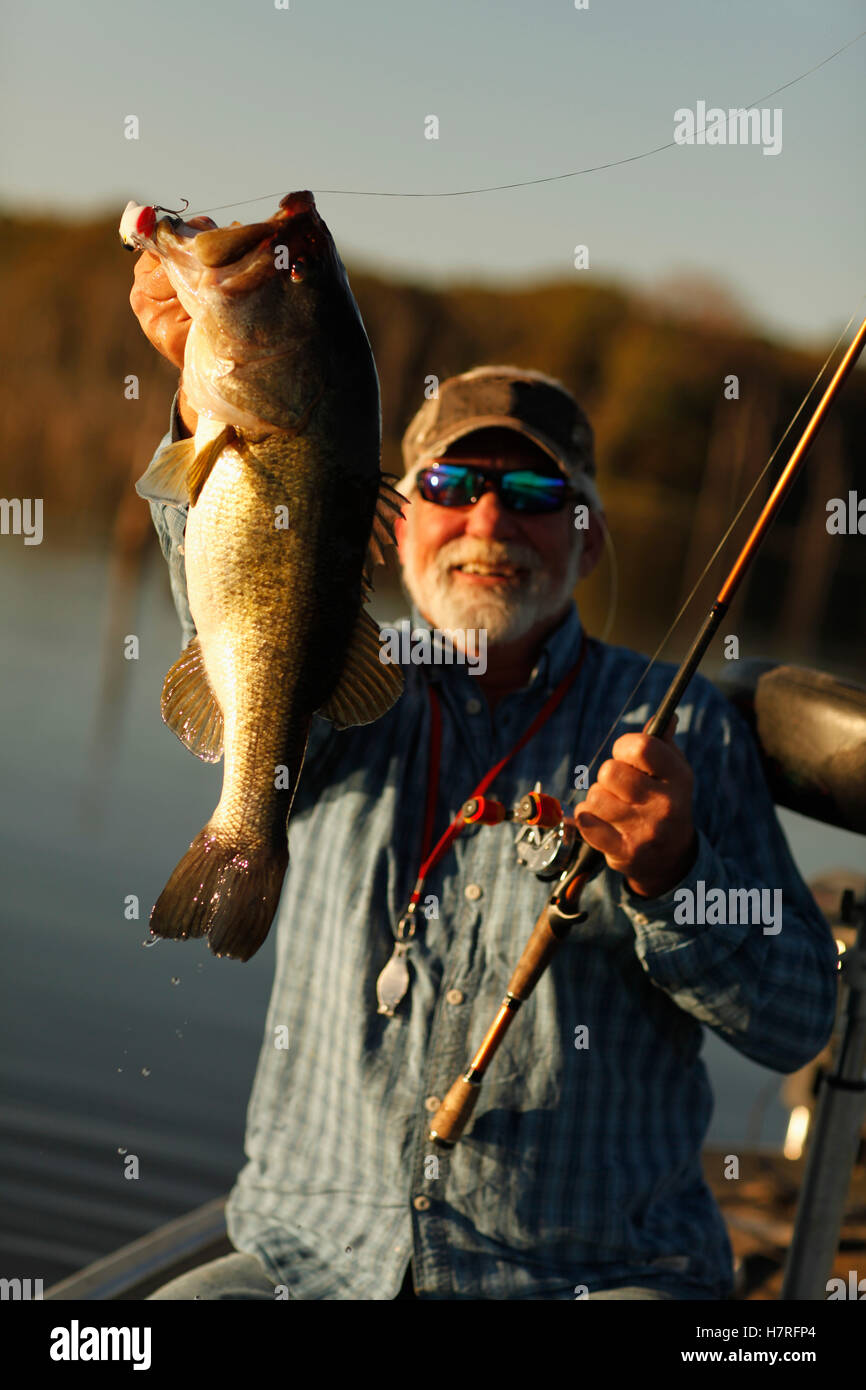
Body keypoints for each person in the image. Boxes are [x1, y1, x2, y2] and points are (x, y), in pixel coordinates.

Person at [129, 249, 839, 1301]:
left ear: (587, 540)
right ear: (394, 519)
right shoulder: (344, 682)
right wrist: (202, 396)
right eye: (451, 485)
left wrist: (677, 877)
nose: (489, 521)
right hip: (307, 1262)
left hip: (596, 1277)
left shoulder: (680, 723)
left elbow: (797, 1016)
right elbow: (235, 612)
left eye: (534, 492)